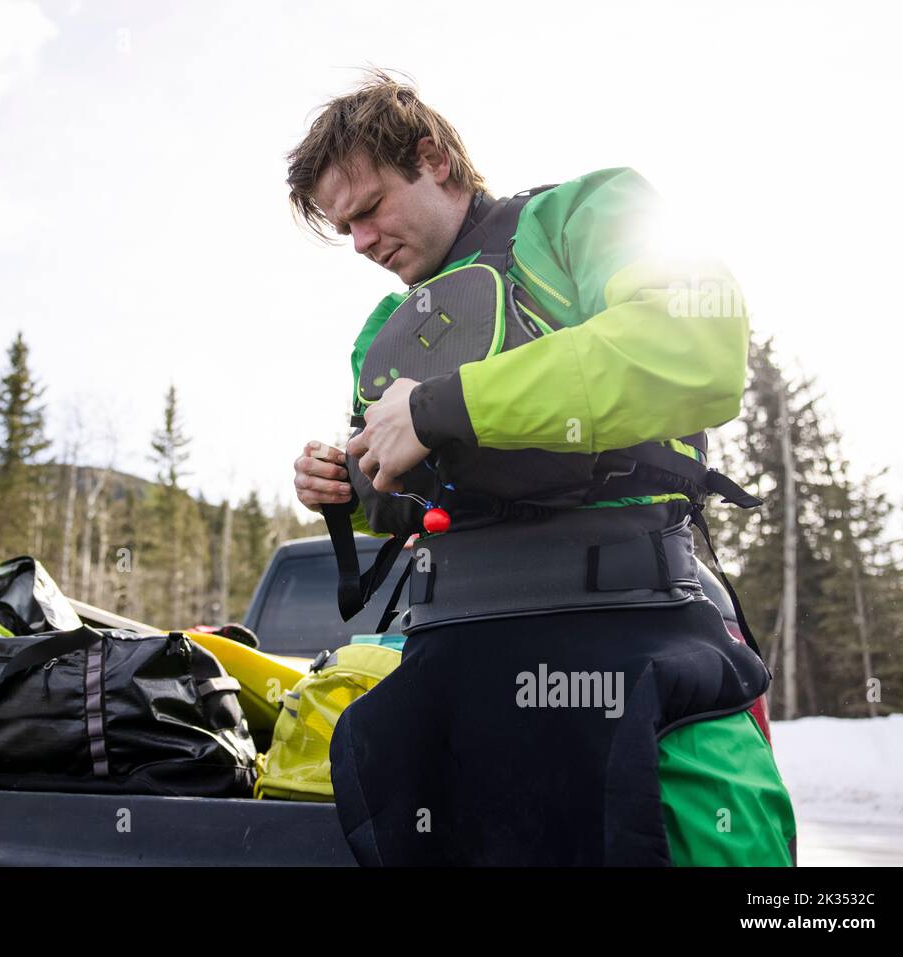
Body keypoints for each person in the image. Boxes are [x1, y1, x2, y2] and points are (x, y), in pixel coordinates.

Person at [287, 69, 796, 866]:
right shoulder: (382, 329)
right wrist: (343, 489)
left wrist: (440, 408)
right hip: (448, 671)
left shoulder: (583, 216)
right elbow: (400, 499)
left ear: (435, 160)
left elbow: (694, 349)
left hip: (633, 639)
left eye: (370, 208)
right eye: (341, 226)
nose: (359, 243)